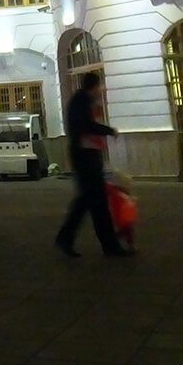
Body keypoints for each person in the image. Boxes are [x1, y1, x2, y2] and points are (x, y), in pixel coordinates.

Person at [55, 71, 130, 257]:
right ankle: (107, 245)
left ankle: (70, 238)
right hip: (85, 156)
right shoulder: (81, 101)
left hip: (88, 155)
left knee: (90, 200)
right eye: (99, 86)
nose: (100, 89)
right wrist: (108, 130)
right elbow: (85, 126)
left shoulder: (82, 100)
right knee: (94, 201)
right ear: (94, 86)